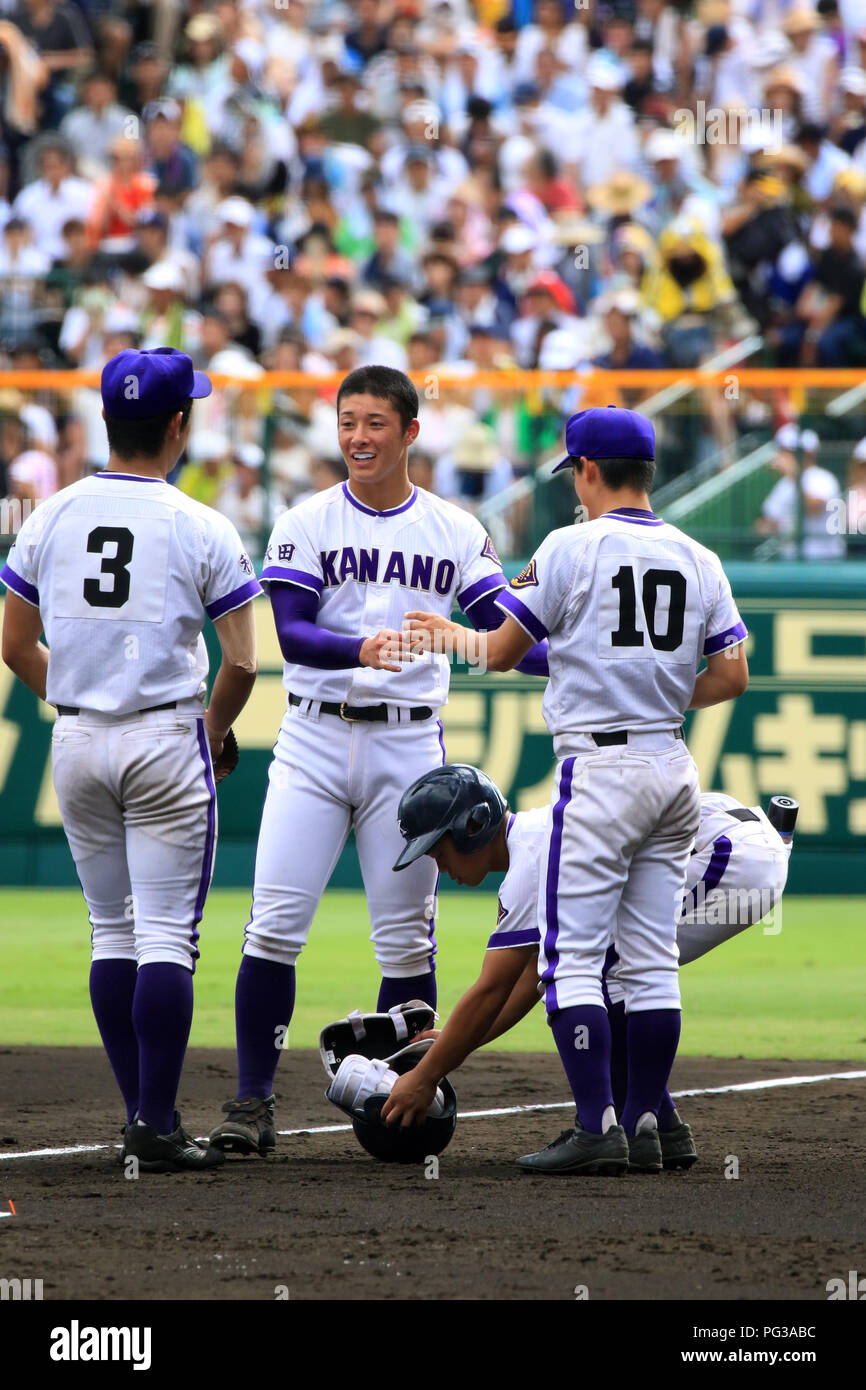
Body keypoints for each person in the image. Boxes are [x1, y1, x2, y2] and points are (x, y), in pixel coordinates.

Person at [207, 364, 547, 1157]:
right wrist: (360, 646)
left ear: (411, 433)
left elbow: (507, 632)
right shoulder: (306, 519)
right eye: (348, 422)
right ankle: (253, 1102)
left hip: (406, 744)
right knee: (275, 925)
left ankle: (403, 1097)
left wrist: (554, 608)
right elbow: (290, 633)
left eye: (375, 424)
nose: (358, 437)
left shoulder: (457, 530)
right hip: (314, 738)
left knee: (405, 942)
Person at [405, 405, 749, 1176]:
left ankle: (596, 1128)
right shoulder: (700, 556)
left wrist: (442, 634)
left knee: (573, 961)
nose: (574, 488)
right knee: (651, 963)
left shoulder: (570, 546)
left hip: (600, 771)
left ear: (588, 470)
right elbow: (732, 674)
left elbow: (498, 651)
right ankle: (645, 1126)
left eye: (575, 475)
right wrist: (655, 695)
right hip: (672, 765)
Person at [0, 346, 261, 1173]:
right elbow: (245, 662)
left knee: (111, 932)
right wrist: (215, 733)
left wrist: (73, 692)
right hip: (163, 736)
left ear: (108, 421)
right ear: (178, 424)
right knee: (165, 941)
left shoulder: (50, 513)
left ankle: (139, 1116)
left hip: (75, 739)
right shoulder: (201, 523)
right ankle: (154, 1119)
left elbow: (12, 640)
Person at [383, 764, 793, 1172]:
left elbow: (494, 989)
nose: (440, 866)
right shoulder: (535, 842)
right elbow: (530, 980)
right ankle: (661, 1126)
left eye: (439, 851)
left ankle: (606, 1130)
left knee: (598, 970)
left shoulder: (530, 855)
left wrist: (427, 1074)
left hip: (731, 856)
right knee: (595, 968)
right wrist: (454, 1043)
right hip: (741, 849)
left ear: (472, 826)